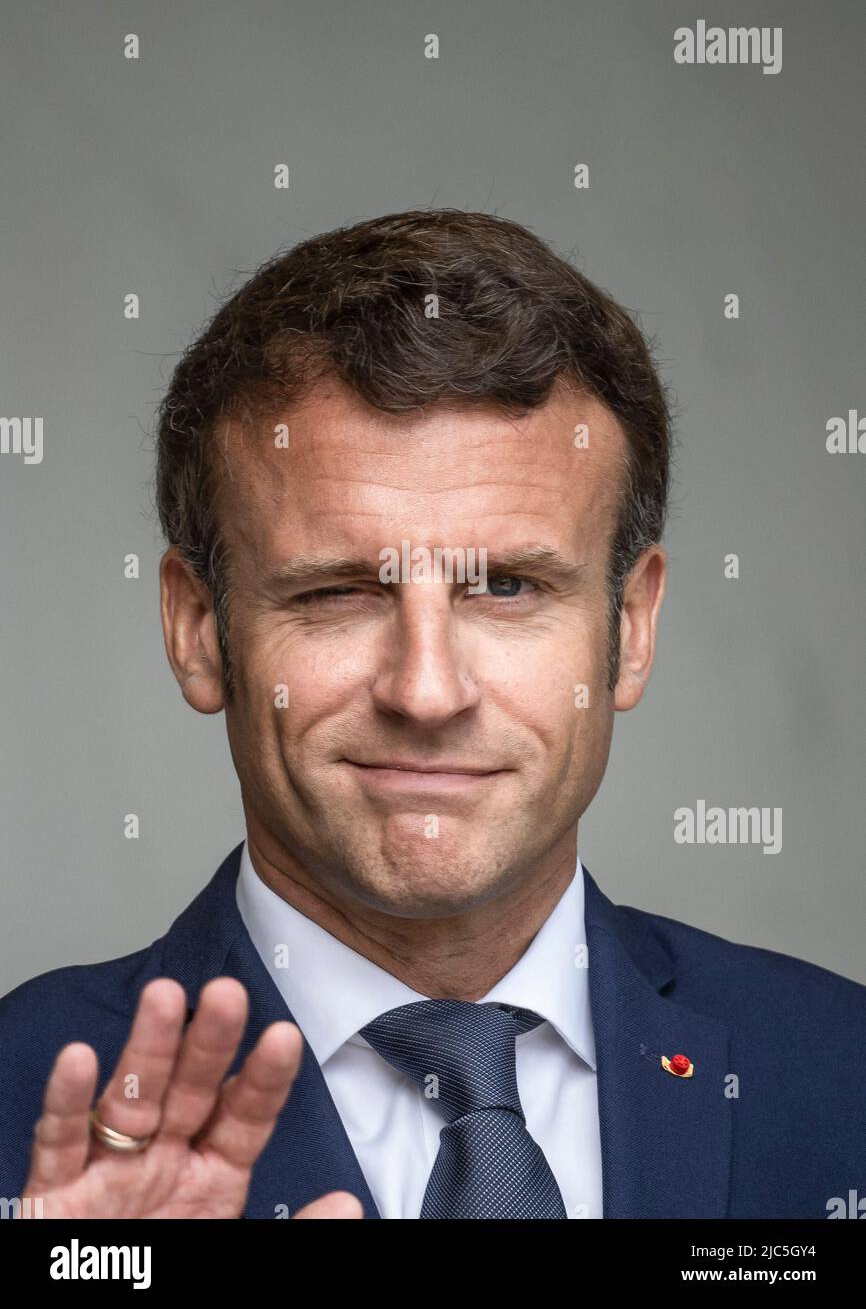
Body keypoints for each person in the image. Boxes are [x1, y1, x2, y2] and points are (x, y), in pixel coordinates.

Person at [1, 209, 864, 1220]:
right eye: (336, 593)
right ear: (200, 630)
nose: (424, 691)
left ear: (627, 630)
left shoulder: (836, 1072)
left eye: (503, 587)